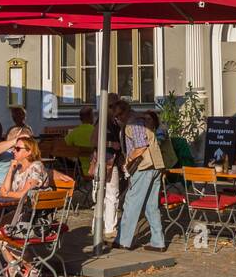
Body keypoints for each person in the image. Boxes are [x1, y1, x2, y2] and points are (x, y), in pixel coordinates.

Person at [0, 134, 51, 277]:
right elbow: (4, 190)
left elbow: (23, 194)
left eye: (17, 149)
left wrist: (8, 194)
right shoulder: (19, 169)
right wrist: (10, 170)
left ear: (28, 151)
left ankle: (29, 268)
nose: (14, 151)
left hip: (35, 219)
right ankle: (14, 266)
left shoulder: (36, 167)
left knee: (3, 233)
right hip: (22, 214)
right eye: (14, 148)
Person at [114, 101, 166, 253]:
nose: (117, 119)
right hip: (155, 165)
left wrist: (128, 161)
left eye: (118, 115)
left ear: (124, 112)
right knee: (151, 206)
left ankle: (124, 240)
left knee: (131, 203)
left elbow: (141, 146)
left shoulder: (133, 123)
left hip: (144, 167)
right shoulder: (140, 120)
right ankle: (158, 242)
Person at [90, 94, 123, 240]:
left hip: (110, 160)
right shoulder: (104, 121)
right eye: (116, 105)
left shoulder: (111, 121)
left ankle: (100, 226)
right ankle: (108, 227)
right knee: (109, 195)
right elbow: (95, 140)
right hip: (106, 161)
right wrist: (112, 144)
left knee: (105, 195)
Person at [65, 105, 95, 176]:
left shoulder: (75, 132)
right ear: (90, 117)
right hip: (95, 169)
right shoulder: (96, 131)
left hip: (79, 170)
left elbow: (64, 145)